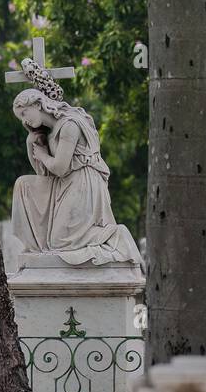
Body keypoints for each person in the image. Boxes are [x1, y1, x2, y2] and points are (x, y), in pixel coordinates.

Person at [11, 87, 141, 267]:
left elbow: (60, 167)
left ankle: (115, 235)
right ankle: (35, 247)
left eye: (25, 113)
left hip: (83, 183)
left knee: (61, 241)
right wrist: (30, 143)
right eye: (21, 118)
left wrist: (42, 155)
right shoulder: (51, 132)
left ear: (38, 104)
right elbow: (44, 173)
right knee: (23, 184)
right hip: (64, 183)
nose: (25, 120)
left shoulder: (69, 125)